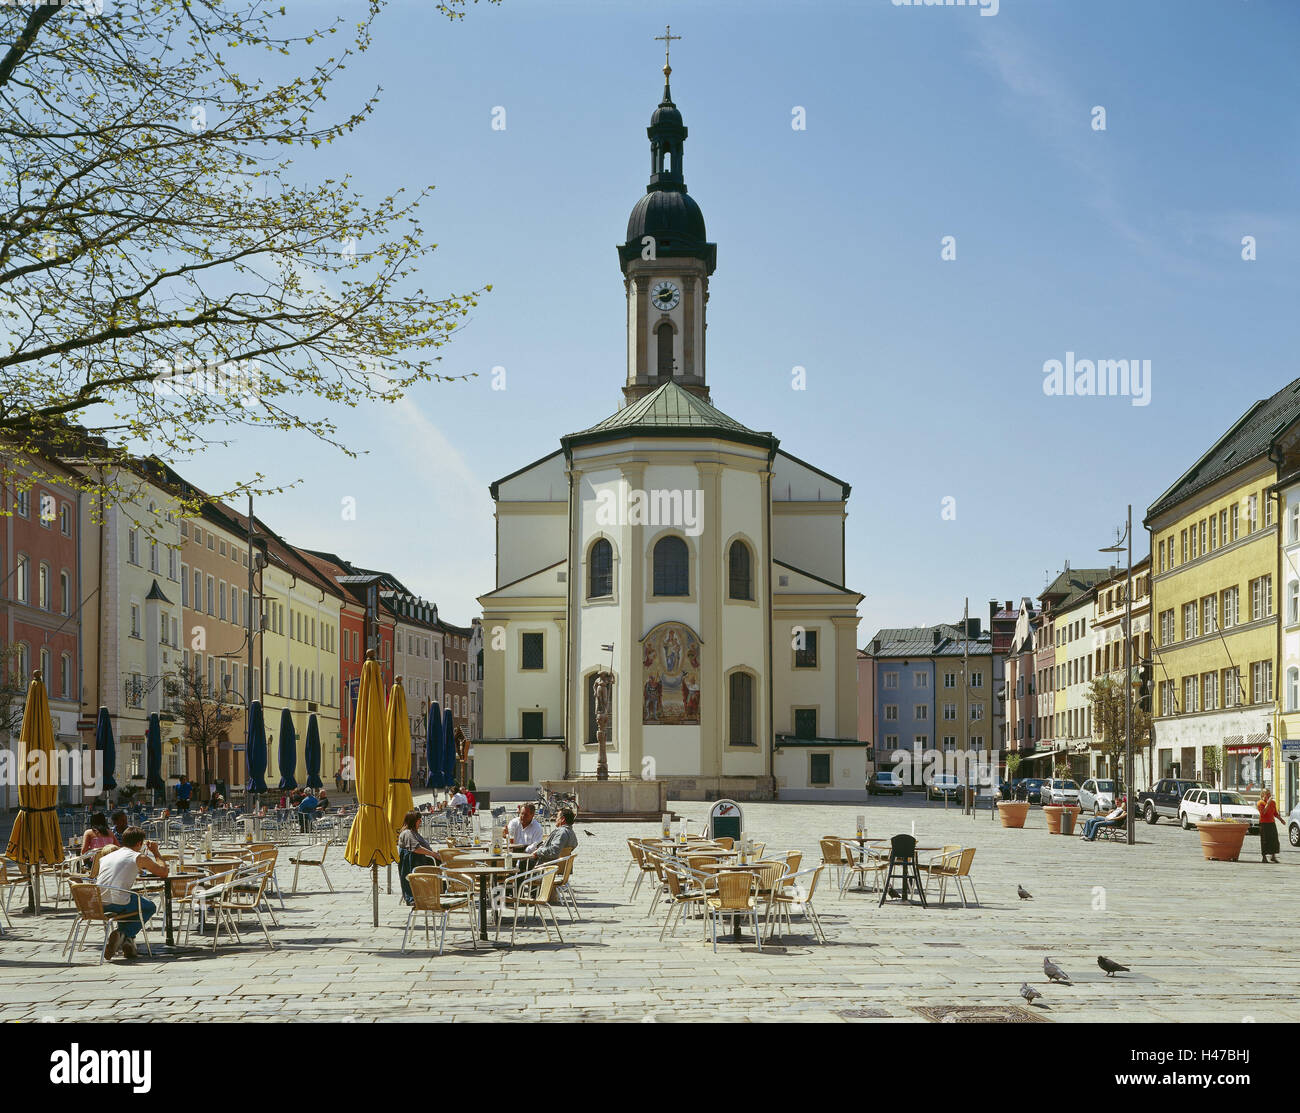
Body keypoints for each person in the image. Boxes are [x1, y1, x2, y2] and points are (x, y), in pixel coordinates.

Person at [95, 827, 169, 961]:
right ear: (139, 843)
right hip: (117, 901)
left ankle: (128, 942)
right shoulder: (138, 856)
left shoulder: (107, 856)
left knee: (130, 903)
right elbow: (163, 872)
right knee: (148, 907)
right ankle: (123, 934)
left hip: (97, 903)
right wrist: (156, 852)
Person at [397, 809, 442, 904]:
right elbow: (416, 848)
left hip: (423, 860)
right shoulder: (407, 833)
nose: (421, 821)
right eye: (419, 819)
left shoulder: (413, 832)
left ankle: (444, 888)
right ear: (414, 821)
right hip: (417, 863)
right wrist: (434, 855)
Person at [1257, 788, 1282, 863]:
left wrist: (1281, 819)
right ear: (1263, 795)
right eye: (1267, 794)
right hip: (1264, 823)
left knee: (1274, 839)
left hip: (1271, 823)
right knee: (1265, 840)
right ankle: (1264, 857)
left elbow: (1275, 813)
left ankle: (1273, 856)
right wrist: (1267, 803)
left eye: (1269, 794)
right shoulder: (1260, 803)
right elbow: (1263, 813)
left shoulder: (1273, 803)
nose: (1269, 795)